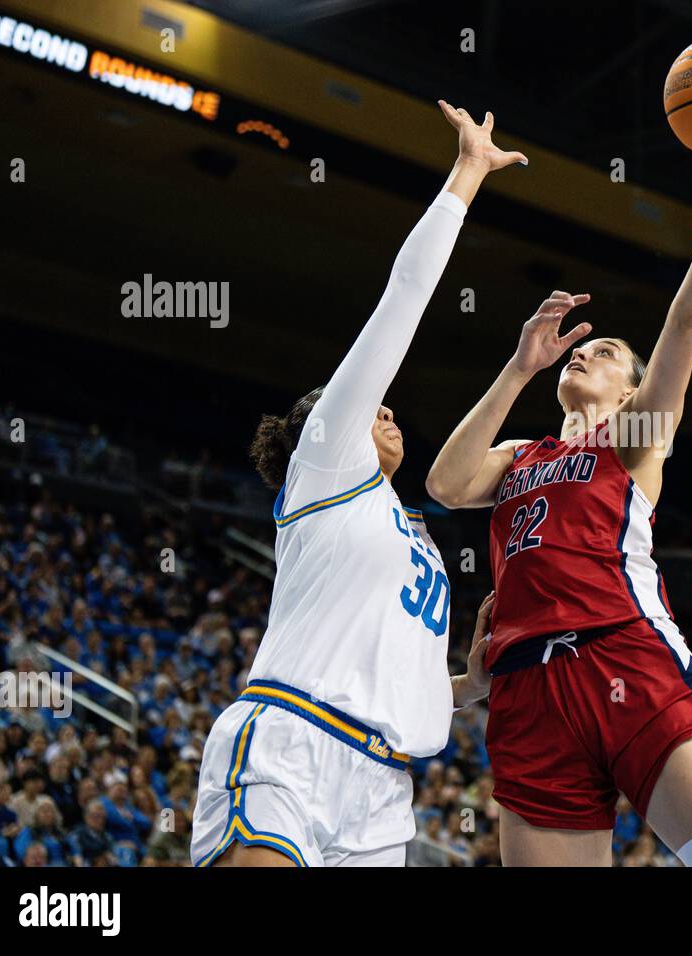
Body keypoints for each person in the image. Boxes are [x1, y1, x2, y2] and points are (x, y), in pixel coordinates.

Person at [426, 84, 692, 866]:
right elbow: (447, 485)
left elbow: (688, 320)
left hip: (619, 650)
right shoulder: (522, 457)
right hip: (524, 687)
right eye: (582, 347)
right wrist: (521, 365)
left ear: (631, 391)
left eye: (606, 352)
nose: (584, 351)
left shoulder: (632, 441)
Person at [191, 100, 525, 867]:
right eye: (374, 406)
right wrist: (468, 172)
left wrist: (466, 687)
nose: (390, 407)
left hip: (382, 790)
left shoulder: (408, 530)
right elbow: (402, 301)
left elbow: (387, 682)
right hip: (292, 742)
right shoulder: (328, 464)